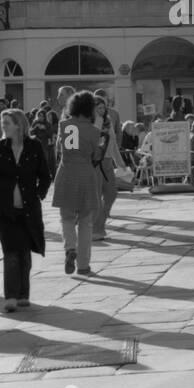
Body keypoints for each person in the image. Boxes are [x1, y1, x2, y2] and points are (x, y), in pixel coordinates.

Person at [0, 108, 53, 313]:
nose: (2, 126)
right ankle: (11, 296)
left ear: (18, 125)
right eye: (2, 123)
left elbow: (45, 175)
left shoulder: (34, 146)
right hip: (5, 210)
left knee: (24, 252)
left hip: (28, 208)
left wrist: (39, 194)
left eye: (6, 123)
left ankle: (23, 294)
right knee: (11, 252)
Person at [51, 90, 104, 276]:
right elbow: (96, 155)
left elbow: (59, 148)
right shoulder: (94, 131)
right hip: (86, 173)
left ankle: (69, 248)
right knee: (85, 221)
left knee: (66, 217)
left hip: (66, 172)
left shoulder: (64, 125)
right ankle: (83, 265)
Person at [92, 91, 120, 240]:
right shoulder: (90, 123)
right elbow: (93, 140)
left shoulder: (108, 121)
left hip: (108, 162)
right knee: (96, 196)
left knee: (112, 193)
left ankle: (98, 222)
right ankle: (96, 228)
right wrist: (97, 120)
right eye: (98, 108)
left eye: (103, 108)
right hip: (95, 163)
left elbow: (113, 145)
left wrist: (121, 165)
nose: (101, 111)